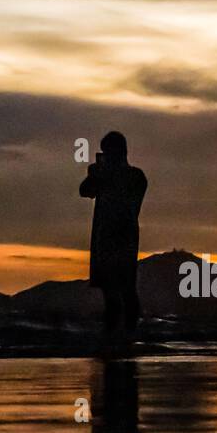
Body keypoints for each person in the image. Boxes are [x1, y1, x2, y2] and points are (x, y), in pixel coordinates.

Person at [79, 131, 148, 336]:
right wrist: (95, 174)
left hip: (121, 236)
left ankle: (125, 335)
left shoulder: (134, 176)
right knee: (112, 289)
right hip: (110, 236)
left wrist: (100, 174)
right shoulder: (110, 176)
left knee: (124, 289)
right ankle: (117, 334)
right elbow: (85, 191)